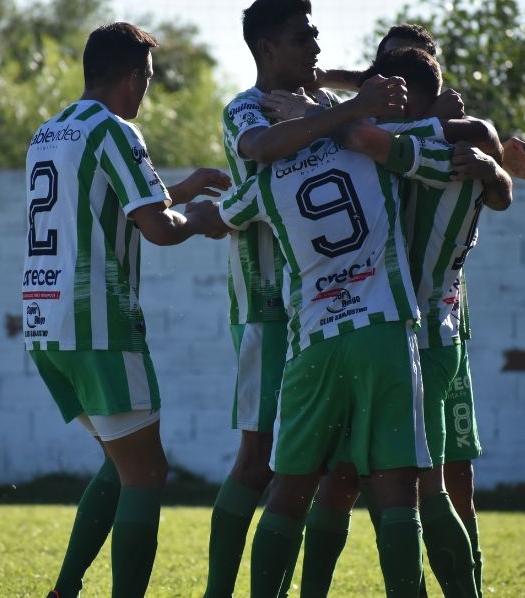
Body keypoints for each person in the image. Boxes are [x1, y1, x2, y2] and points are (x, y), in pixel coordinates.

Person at [189, 105, 498, 596]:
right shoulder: (369, 149)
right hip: (385, 332)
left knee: (289, 493)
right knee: (401, 493)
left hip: (313, 341)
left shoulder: (268, 183)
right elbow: (466, 155)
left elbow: (213, 219)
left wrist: (182, 210)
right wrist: (495, 165)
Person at [203, 0, 407, 598]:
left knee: (338, 467)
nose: (315, 45)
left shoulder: (322, 103)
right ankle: (218, 591)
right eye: (302, 37)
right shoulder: (247, 107)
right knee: (261, 458)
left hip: (328, 312)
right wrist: (350, 111)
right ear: (266, 48)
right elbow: (265, 149)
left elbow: (394, 85)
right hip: (271, 305)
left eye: (316, 35)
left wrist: (345, 92)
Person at [21, 21, 229, 598]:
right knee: (146, 472)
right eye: (148, 79)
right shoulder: (115, 131)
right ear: (133, 76)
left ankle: (64, 591)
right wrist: (204, 220)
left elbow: (107, 203)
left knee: (121, 464)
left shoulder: (51, 131)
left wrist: (181, 191)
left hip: (45, 322)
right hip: (99, 322)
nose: (146, 92)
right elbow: (158, 231)